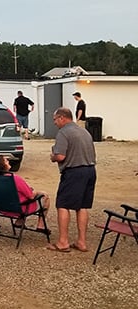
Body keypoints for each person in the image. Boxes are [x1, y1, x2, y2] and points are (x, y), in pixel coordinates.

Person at [48, 106, 97, 252]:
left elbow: (61, 156)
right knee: (82, 206)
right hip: (90, 170)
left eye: (55, 120)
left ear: (62, 118)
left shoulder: (64, 133)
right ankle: (82, 242)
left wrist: (53, 157)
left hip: (74, 172)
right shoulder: (84, 131)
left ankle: (63, 242)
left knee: (62, 204)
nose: (55, 123)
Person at [0, 154, 50, 230]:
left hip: (1, 207)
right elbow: (31, 196)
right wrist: (37, 192)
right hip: (18, 209)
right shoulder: (14, 179)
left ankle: (19, 222)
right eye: (6, 161)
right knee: (44, 196)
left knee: (20, 197)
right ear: (2, 165)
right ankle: (41, 225)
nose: (8, 161)